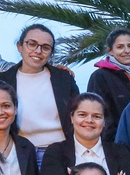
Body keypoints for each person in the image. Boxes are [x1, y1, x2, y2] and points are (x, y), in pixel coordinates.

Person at [0, 24, 79, 161]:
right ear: (20, 46)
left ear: (51, 53)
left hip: (61, 154)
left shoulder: (64, 79)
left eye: (45, 47)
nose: (38, 51)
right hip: (20, 155)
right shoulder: (5, 81)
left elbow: (78, 114)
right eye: (32, 44)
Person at [86, 28, 130, 140]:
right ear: (110, 51)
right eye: (120, 47)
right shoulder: (100, 77)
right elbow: (97, 113)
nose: (127, 51)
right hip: (114, 143)